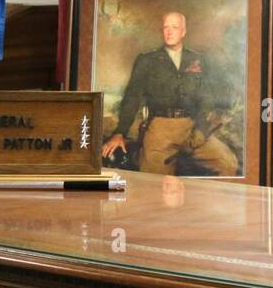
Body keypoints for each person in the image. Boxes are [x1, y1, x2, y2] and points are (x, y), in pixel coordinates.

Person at [101, 11, 239, 177]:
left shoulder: (198, 59)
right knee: (153, 181)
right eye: (166, 27)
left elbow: (206, 98)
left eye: (174, 27)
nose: (169, 31)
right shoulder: (147, 60)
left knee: (228, 164)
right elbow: (132, 97)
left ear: (183, 31)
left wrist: (201, 129)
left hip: (193, 127)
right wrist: (120, 133)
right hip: (161, 129)